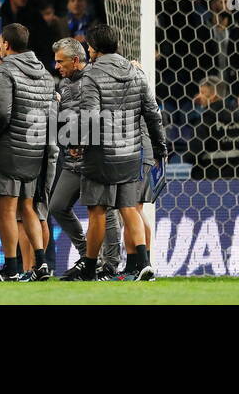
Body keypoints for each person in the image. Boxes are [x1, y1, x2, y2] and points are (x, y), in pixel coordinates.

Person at [72, 23, 167, 282]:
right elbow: (152, 113)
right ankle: (144, 264)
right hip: (129, 152)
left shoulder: (91, 75)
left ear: (94, 48)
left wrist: (79, 143)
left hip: (101, 153)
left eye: (89, 45)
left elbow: (90, 115)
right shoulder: (136, 72)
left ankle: (90, 269)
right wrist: (160, 147)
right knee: (129, 208)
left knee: (97, 211)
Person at [0, 23, 57, 281]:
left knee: (8, 209)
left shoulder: (5, 71)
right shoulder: (45, 74)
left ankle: (12, 269)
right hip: (35, 149)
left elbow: (1, 111)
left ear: (7, 44)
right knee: (29, 208)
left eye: (0, 42)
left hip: (9, 149)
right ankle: (42, 264)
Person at [47, 38, 122, 280]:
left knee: (104, 209)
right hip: (72, 160)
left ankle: (110, 264)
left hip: (96, 157)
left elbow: (104, 117)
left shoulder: (95, 79)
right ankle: (89, 256)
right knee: (57, 206)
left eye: (60, 61)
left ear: (75, 60)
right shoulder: (65, 85)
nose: (56, 66)